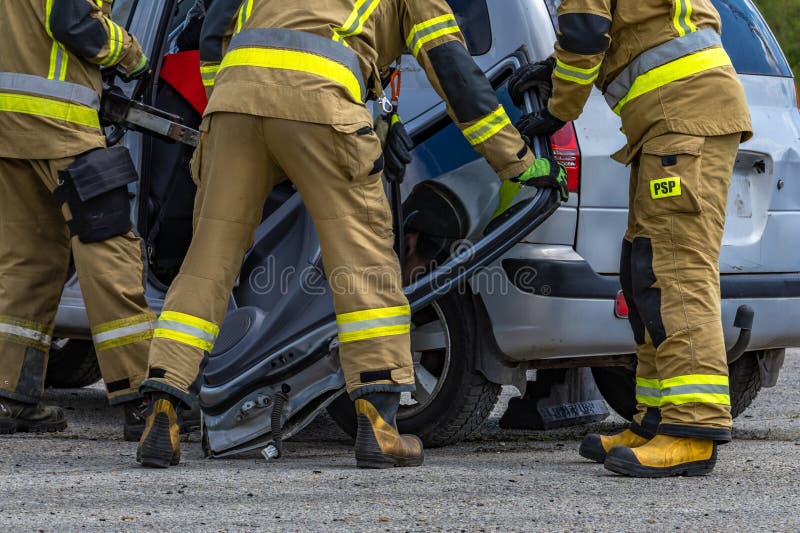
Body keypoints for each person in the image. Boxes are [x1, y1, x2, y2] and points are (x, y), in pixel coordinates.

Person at [135, 0, 568, 468]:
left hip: (232, 106)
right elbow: (454, 73)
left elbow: (219, 24)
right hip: (321, 103)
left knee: (207, 263)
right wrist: (519, 161)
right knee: (365, 266)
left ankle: (163, 404)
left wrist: (235, 98)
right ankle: (380, 427)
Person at [509, 0, 752, 477]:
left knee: (674, 270)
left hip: (682, 117)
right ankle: (656, 418)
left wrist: (558, 107)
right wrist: (557, 69)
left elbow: (584, 31)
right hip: (669, 119)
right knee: (645, 268)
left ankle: (692, 428)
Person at [0, 0, 152, 440]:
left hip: (9, 131)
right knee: (108, 254)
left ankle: (10, 397)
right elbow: (73, 21)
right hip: (61, 124)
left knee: (24, 263)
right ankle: (143, 398)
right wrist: (132, 56)